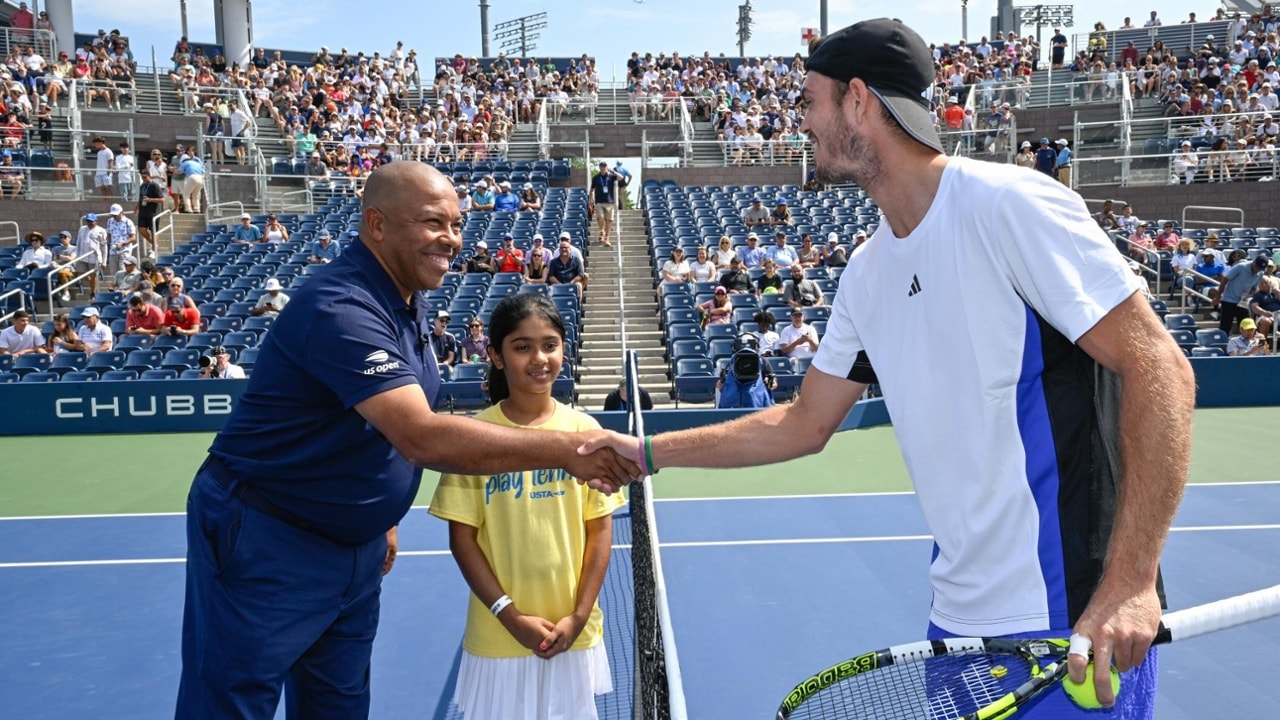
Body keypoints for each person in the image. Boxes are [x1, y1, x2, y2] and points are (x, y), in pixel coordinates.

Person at [580, 18, 1194, 715]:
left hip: (1068, 631)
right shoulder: (868, 272)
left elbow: (1160, 369)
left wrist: (1132, 582)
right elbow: (803, 422)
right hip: (956, 634)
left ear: (860, 101)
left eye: (810, 100)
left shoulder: (1010, 205)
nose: (801, 120)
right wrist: (647, 451)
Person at [175, 162, 635, 720]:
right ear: (376, 224)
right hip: (268, 541)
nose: (452, 237)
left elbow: (373, 423)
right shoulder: (341, 306)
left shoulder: (406, 301)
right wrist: (569, 452)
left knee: (337, 708)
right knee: (232, 706)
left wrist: (383, 516)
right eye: (432, 222)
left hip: (354, 549)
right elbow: (418, 434)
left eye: (457, 223)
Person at [429, 294, 625, 719]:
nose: (539, 358)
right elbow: (462, 540)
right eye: (522, 347)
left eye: (550, 344)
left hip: (571, 633)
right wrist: (510, 616)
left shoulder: (586, 430)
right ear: (497, 357)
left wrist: (578, 615)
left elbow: (600, 530)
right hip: (500, 636)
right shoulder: (474, 438)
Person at [590, 161, 620, 245]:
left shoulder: (611, 176)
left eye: (604, 166)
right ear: (599, 167)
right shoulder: (596, 177)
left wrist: (613, 171)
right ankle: (601, 231)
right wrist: (591, 199)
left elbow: (621, 177)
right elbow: (591, 190)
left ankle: (607, 238)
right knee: (601, 218)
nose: (603, 168)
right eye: (601, 166)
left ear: (607, 167)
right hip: (599, 201)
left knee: (609, 221)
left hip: (609, 201)